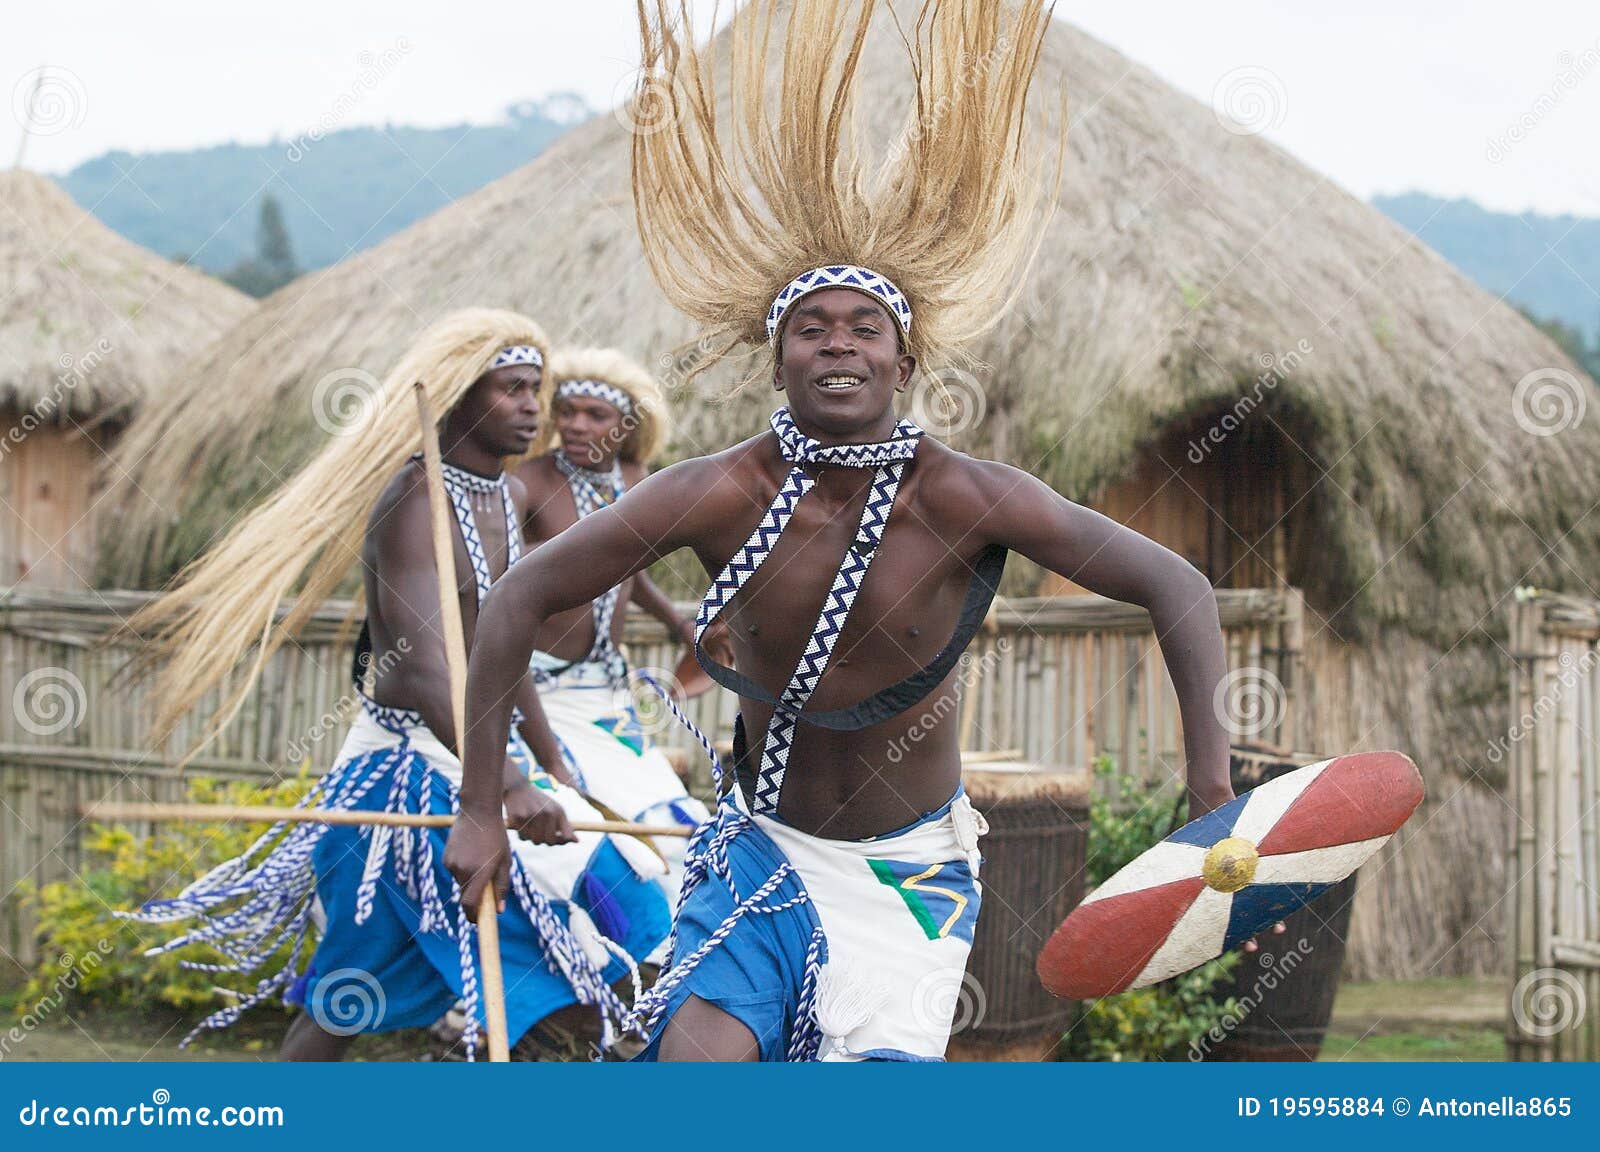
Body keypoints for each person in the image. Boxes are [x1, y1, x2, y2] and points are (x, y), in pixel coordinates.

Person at [448, 0, 1235, 1062]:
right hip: (757, 854)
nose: (838, 345)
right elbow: (515, 598)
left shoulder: (966, 496)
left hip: (908, 876)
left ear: (904, 364)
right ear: (776, 360)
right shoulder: (716, 491)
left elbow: (1175, 587)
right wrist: (483, 801)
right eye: (810, 329)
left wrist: (1210, 790)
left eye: (866, 328)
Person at [123, 310, 669, 1060]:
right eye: (512, 390)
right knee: (350, 995)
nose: (532, 412)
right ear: (459, 396)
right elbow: (423, 669)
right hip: (405, 777)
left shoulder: (504, 499)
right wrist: (506, 785)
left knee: (618, 902)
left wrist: (553, 765)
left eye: (534, 391)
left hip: (475, 757)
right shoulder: (417, 502)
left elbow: (500, 650)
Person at [510, 348, 711, 929]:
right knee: (579, 821)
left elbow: (630, 567)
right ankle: (581, 960)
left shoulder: (635, 483)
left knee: (668, 820)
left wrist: (679, 623)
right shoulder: (528, 484)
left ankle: (667, 961)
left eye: (594, 415)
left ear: (625, 426)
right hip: (539, 691)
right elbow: (497, 585)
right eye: (567, 411)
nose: (575, 424)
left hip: (605, 690)